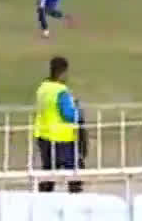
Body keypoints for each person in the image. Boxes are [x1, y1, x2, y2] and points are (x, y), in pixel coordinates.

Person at [33, 56, 85, 194]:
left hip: (44, 135)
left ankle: (43, 197)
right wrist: (78, 111)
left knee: (49, 171)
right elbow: (68, 114)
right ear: (62, 72)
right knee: (73, 171)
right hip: (62, 137)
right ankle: (76, 198)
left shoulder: (43, 88)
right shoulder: (61, 91)